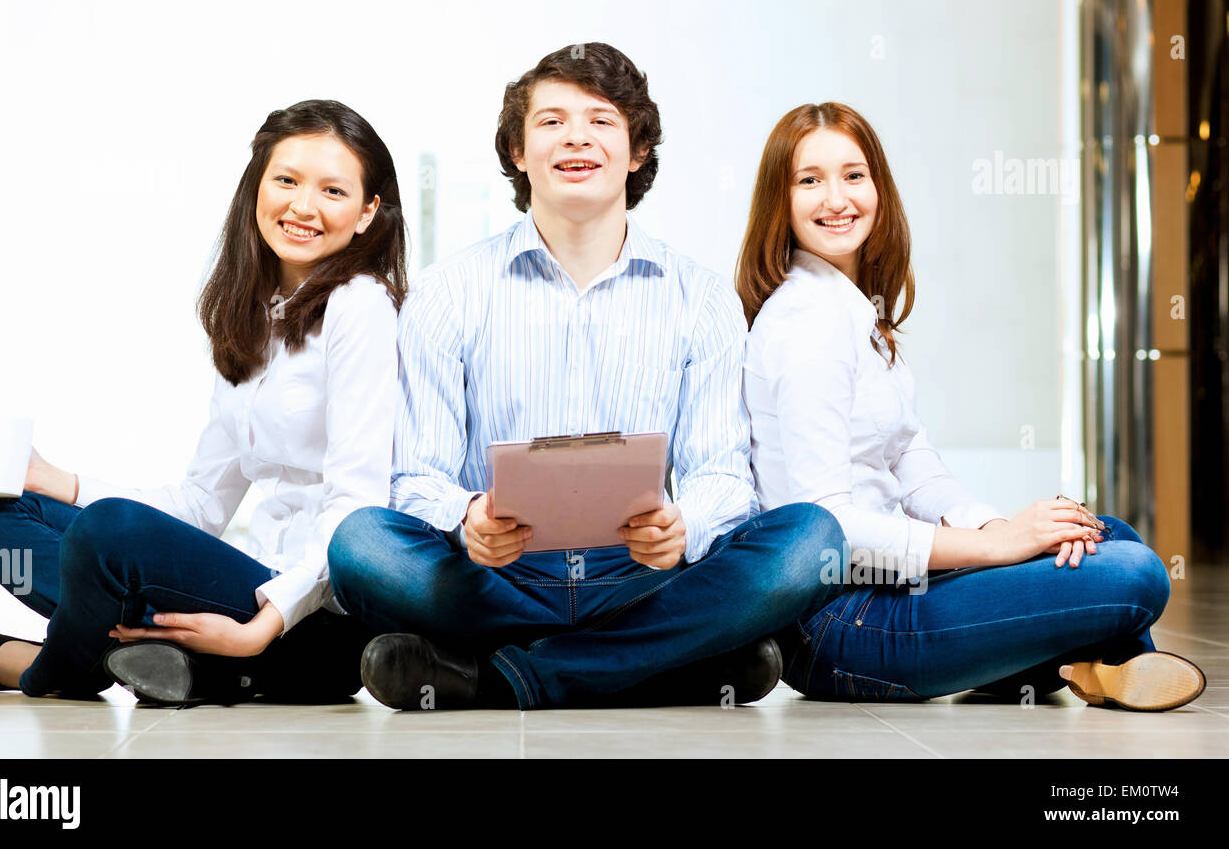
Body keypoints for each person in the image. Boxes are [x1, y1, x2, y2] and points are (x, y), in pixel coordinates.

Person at [327, 43, 847, 712]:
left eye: (601, 120)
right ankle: (657, 662)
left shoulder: (702, 297)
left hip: (644, 577)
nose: (576, 136)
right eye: (550, 121)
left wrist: (683, 524)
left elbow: (725, 476)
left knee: (812, 540)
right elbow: (415, 477)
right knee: (360, 545)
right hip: (496, 580)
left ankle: (517, 676)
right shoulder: (448, 292)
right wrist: (466, 517)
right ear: (518, 151)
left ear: (636, 152)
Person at [736, 101, 1205, 710]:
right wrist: (997, 548)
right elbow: (828, 530)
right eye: (809, 180)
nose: (836, 198)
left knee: (1099, 534)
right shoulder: (808, 323)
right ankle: (1099, 663)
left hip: (890, 588)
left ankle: (1076, 669)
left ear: (879, 187)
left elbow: (914, 462)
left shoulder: (856, 311)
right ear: (781, 200)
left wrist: (997, 527)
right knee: (1133, 572)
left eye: (853, 175)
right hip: (837, 625)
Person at [0, 99, 406, 704]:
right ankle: (144, 655)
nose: (302, 206)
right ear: (256, 188)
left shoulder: (361, 305)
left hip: (312, 621)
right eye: (287, 180)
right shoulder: (254, 318)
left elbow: (358, 509)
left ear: (367, 212)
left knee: (110, 533)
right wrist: (52, 479)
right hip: (246, 585)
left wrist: (256, 630)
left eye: (332, 190)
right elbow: (200, 504)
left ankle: (57, 670)